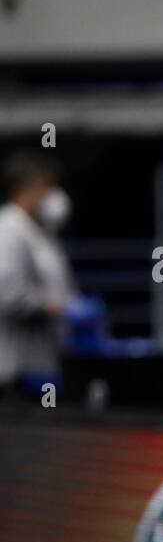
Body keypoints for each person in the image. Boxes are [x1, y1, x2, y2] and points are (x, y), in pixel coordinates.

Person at [0, 152, 78, 399]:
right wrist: (57, 307)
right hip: (14, 368)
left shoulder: (39, 230)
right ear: (24, 189)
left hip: (40, 363)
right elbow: (8, 295)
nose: (53, 196)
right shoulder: (8, 230)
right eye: (47, 187)